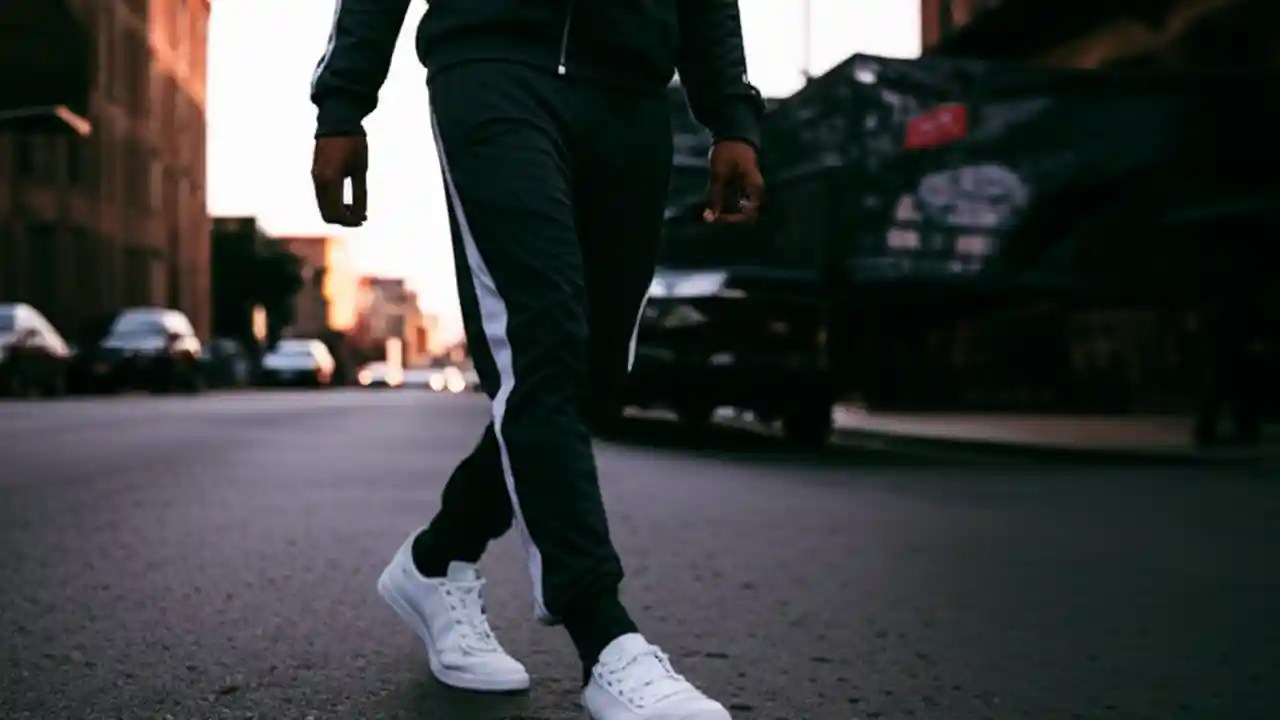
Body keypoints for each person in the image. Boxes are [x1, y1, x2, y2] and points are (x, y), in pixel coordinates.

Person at [310, 2, 764, 718]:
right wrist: (343, 103)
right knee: (542, 340)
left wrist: (730, 117)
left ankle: (436, 559)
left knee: (595, 374)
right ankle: (605, 638)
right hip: (493, 67)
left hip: (633, 92)